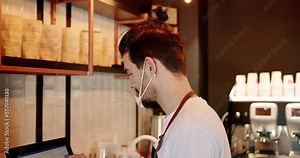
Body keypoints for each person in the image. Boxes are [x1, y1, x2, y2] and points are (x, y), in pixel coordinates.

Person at [118, 7, 231, 158]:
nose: (131, 83)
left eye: (130, 73)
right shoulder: (189, 117)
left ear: (150, 67)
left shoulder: (189, 129)